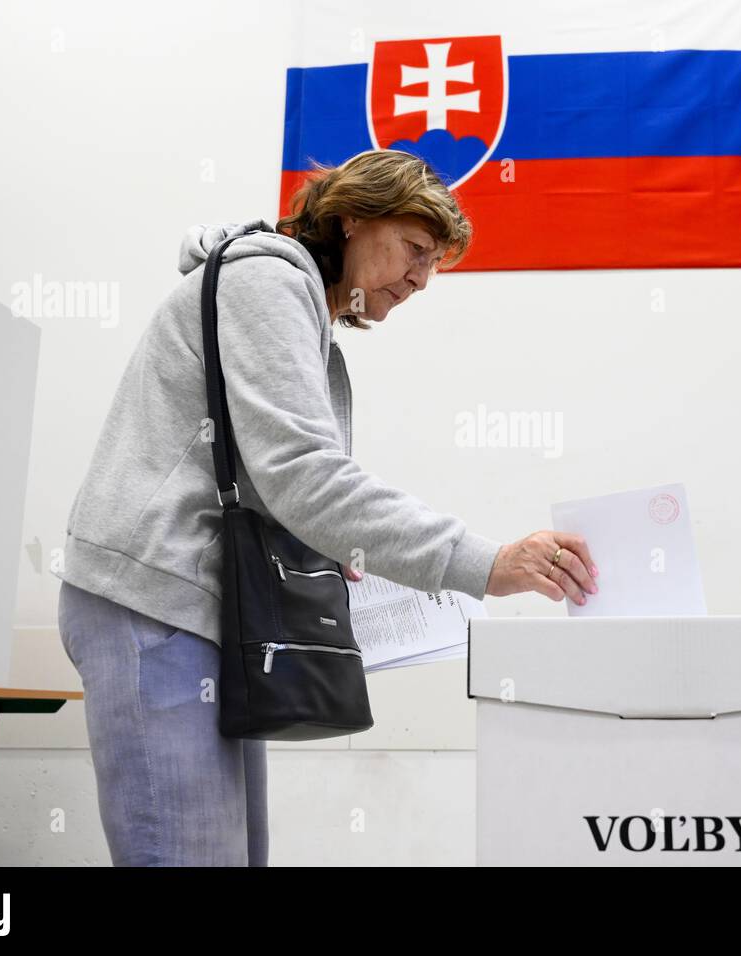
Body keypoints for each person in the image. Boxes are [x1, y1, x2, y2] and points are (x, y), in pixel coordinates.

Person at [55, 148, 599, 865]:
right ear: (349, 218)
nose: (422, 278)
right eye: (413, 249)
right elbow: (305, 478)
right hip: (154, 601)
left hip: (196, 611)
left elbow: (284, 486)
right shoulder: (268, 281)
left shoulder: (291, 299)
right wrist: (486, 563)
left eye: (434, 262)